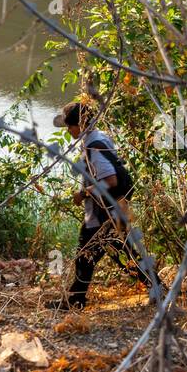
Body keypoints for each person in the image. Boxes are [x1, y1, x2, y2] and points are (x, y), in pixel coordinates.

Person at [50, 100, 157, 311]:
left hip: (104, 213)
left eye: (70, 126)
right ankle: (157, 288)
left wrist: (83, 193)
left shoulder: (92, 144)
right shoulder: (99, 137)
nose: (69, 130)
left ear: (80, 125)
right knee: (115, 253)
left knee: (90, 255)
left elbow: (110, 181)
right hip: (111, 209)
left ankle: (75, 302)